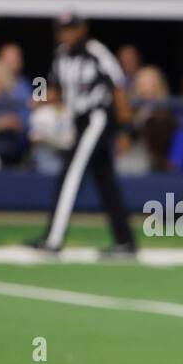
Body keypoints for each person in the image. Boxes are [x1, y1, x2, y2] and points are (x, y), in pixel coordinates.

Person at [26, 13, 136, 255]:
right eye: (62, 29)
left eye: (71, 29)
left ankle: (53, 240)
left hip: (97, 118)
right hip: (77, 121)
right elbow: (54, 88)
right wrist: (39, 99)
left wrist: (126, 130)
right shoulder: (61, 56)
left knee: (70, 174)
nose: (66, 34)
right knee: (105, 181)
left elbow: (118, 90)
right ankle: (125, 242)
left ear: (82, 29)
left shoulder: (97, 53)